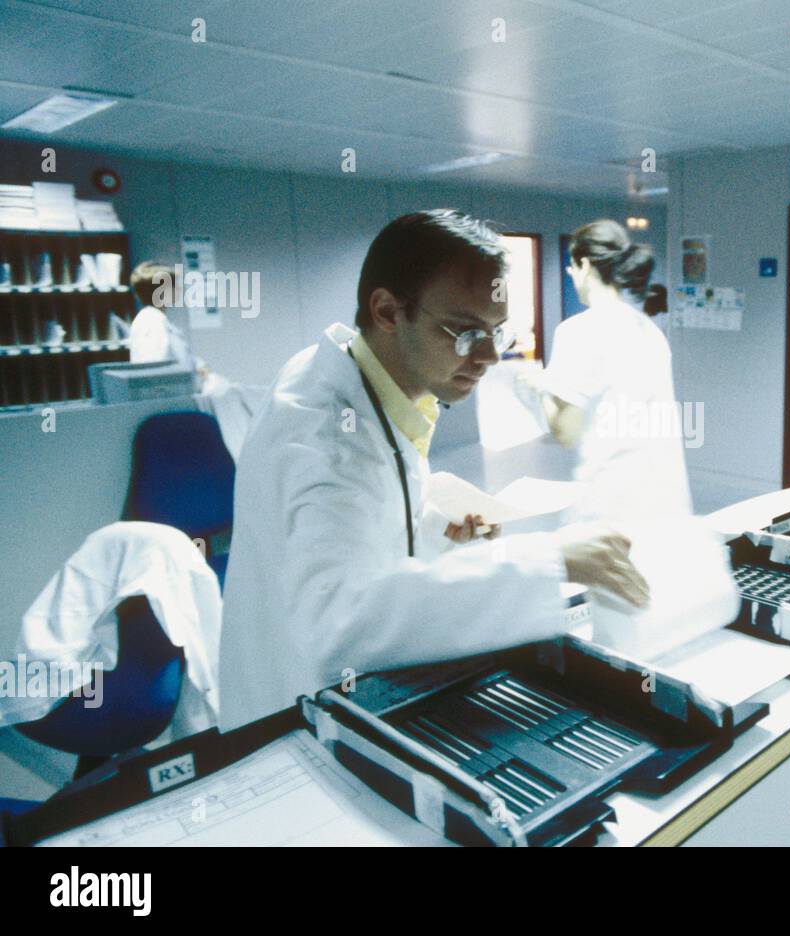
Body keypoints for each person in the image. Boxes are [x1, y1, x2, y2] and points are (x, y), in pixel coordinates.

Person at [219, 210, 648, 729]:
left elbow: (349, 540)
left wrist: (427, 525)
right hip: (295, 722)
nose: (490, 356)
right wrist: (548, 558)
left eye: (498, 332)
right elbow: (340, 625)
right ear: (386, 311)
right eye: (466, 333)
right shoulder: (326, 433)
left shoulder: (355, 377)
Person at [519, 219, 693, 524]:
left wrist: (538, 388)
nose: (570, 274)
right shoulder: (649, 332)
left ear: (584, 265)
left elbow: (566, 433)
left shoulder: (579, 331)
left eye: (571, 266)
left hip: (611, 506)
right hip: (664, 500)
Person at [128, 260, 199, 374]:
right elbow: (155, 370)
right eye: (175, 285)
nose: (179, 289)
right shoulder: (152, 324)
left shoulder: (153, 319)